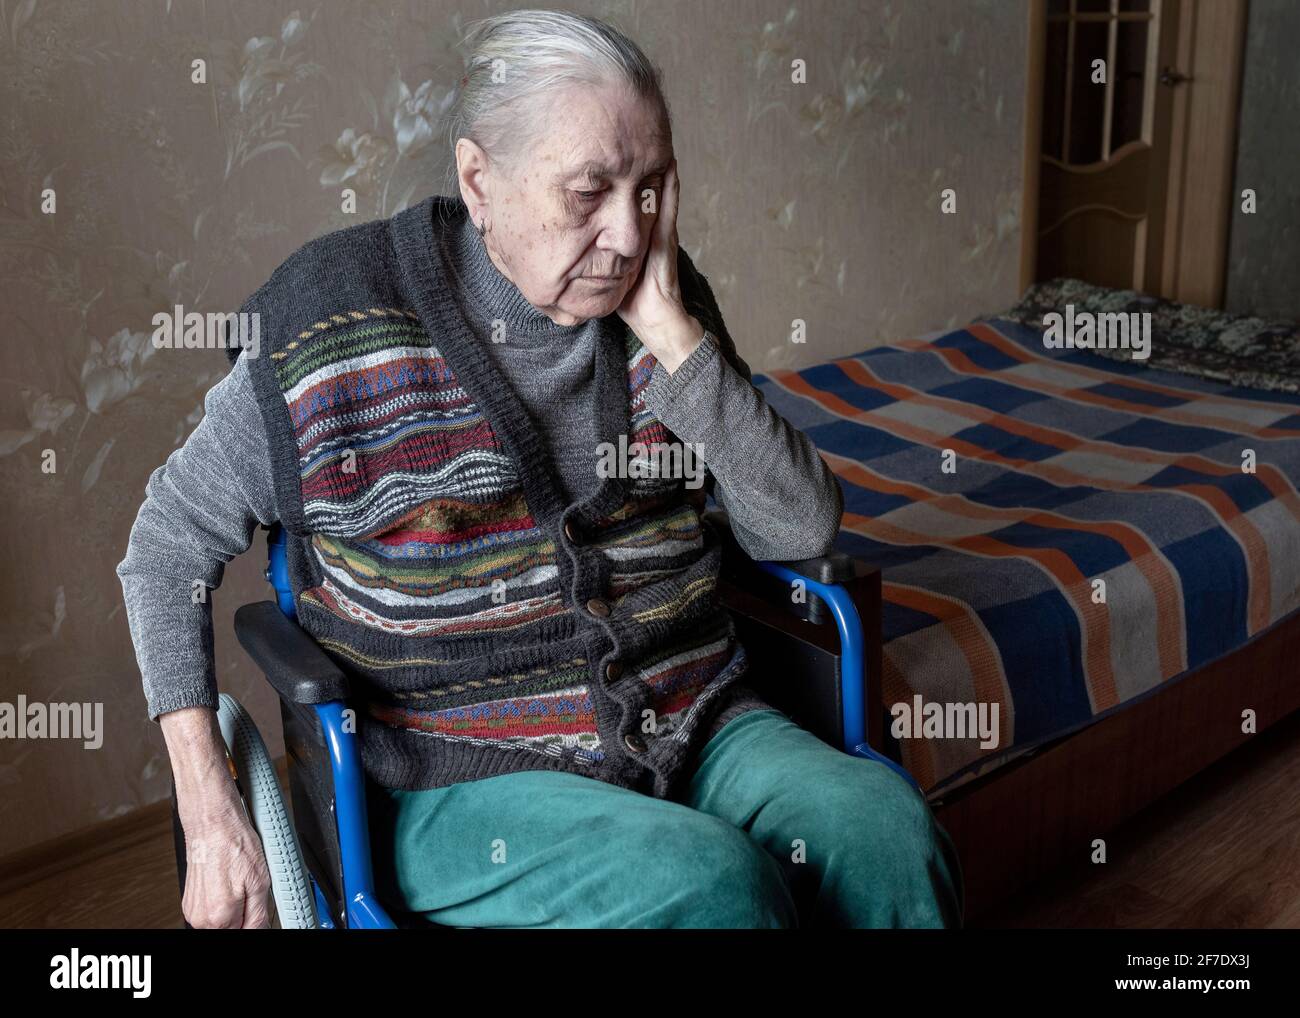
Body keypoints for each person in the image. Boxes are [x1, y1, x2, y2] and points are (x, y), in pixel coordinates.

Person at [116, 8, 963, 929]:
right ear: (479, 179)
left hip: (694, 717)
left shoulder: (664, 308)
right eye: (588, 192)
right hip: (457, 770)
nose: (629, 234)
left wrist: (677, 339)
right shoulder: (331, 324)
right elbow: (164, 551)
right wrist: (209, 811)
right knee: (710, 882)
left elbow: (798, 528)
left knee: (883, 826)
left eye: (651, 190)